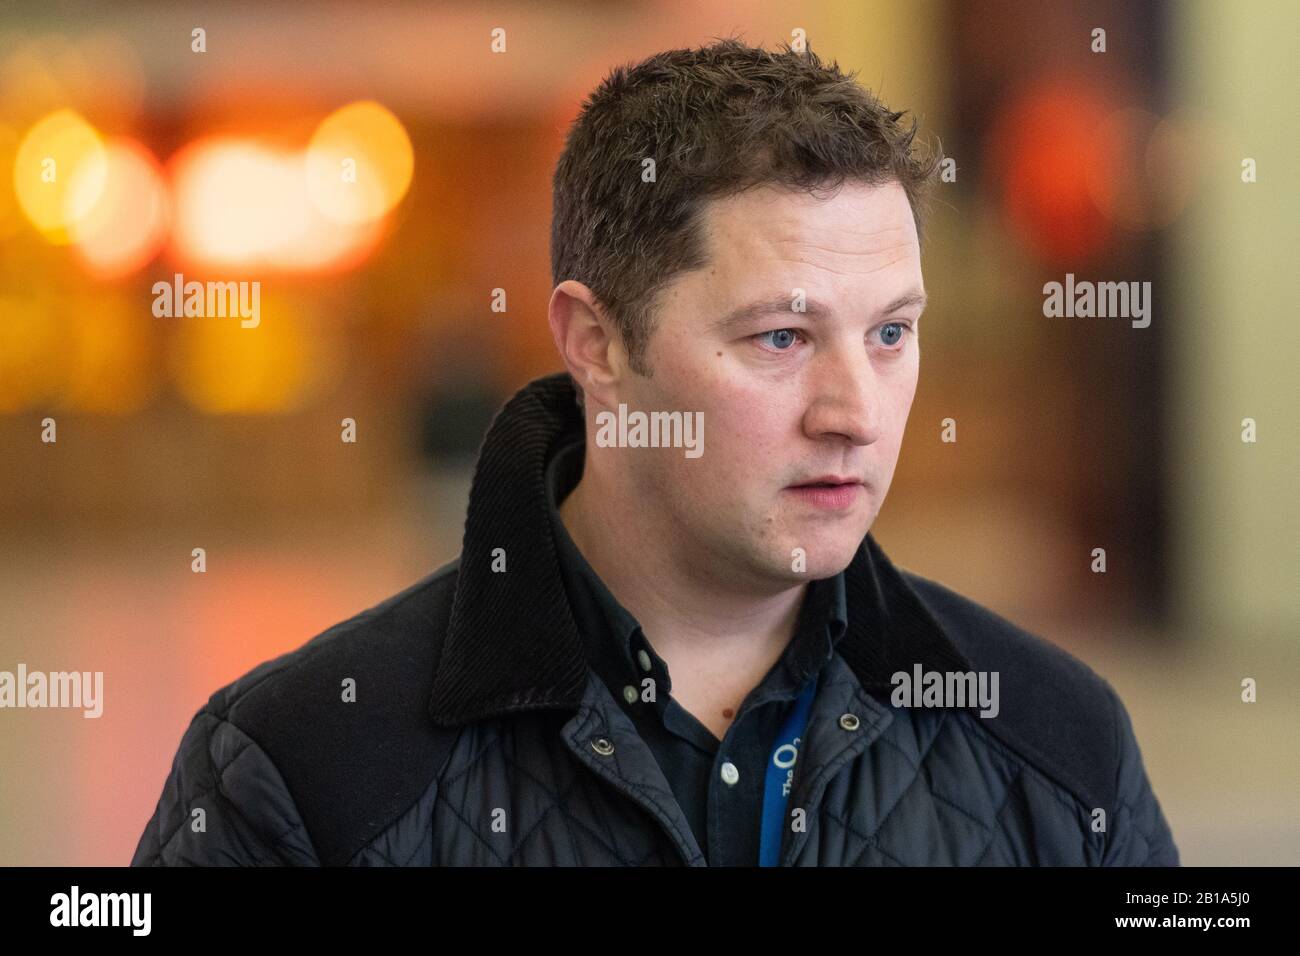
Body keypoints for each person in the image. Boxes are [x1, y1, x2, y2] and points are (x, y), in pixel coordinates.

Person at [132, 37, 1179, 867]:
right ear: (598, 344)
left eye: (890, 333)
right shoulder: (305, 767)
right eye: (780, 337)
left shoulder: (1056, 741)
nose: (855, 411)